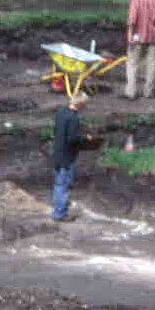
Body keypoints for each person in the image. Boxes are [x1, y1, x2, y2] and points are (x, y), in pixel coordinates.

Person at [125, 0, 155, 99]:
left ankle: (131, 91)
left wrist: (130, 33)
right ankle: (148, 92)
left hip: (137, 34)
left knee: (132, 63)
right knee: (151, 64)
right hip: (154, 35)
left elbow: (133, 17)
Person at [51, 91, 89, 223]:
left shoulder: (60, 112)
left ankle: (57, 210)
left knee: (58, 184)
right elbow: (72, 139)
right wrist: (85, 138)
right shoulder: (73, 118)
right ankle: (60, 214)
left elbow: (56, 131)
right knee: (64, 185)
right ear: (81, 105)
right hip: (67, 156)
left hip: (57, 152)